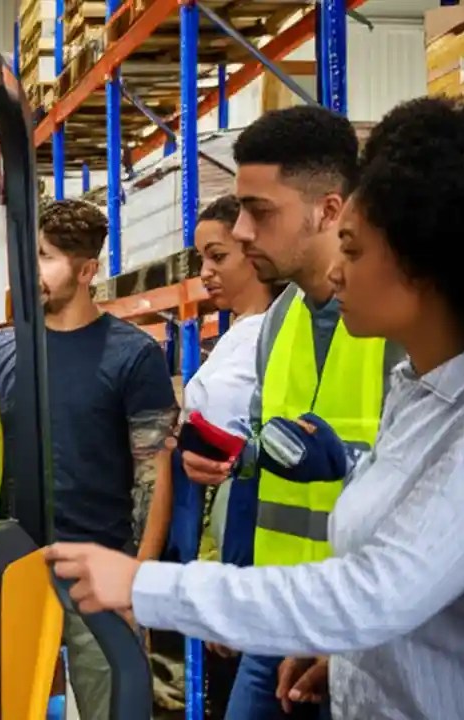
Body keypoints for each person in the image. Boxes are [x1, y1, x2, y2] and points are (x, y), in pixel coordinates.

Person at [44, 96, 464, 719]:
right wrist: (356, 658)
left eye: (353, 250)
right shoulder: (418, 391)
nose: (341, 273)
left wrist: (145, 585)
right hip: (319, 638)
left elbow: (378, 588)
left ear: (423, 261)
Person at [175, 105, 405, 720]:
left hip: (361, 632)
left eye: (260, 211)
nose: (242, 231)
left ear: (329, 210)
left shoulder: (399, 325)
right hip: (279, 618)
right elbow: (271, 469)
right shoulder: (279, 322)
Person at [0, 199, 179, 720]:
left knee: (113, 709)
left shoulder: (132, 355)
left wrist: (138, 579)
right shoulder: (1, 352)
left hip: (100, 570)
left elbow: (153, 472)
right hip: (15, 562)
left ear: (87, 270)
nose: (32, 272)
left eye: (46, 258)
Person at [177, 194, 283, 717]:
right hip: (225, 550)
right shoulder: (237, 334)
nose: (206, 273)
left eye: (218, 256)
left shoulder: (270, 334)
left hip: (249, 560)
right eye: (202, 261)